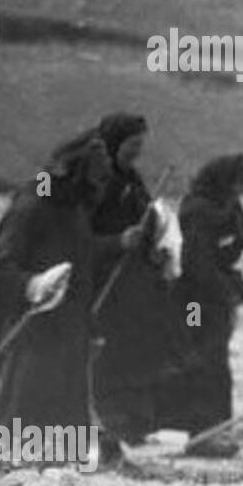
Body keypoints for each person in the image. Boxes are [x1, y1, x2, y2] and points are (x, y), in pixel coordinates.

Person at [0, 131, 133, 467]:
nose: (99, 189)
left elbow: (81, 253)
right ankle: (16, 461)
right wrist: (32, 284)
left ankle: (59, 459)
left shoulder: (71, 207)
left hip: (70, 325)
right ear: (74, 172)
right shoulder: (32, 205)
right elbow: (1, 264)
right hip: (37, 327)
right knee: (31, 393)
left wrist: (119, 242)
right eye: (95, 178)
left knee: (67, 395)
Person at [157, 153, 243, 457]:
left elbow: (226, 247)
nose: (240, 191)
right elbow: (197, 263)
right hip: (194, 301)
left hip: (215, 296)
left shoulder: (226, 204)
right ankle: (202, 431)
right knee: (203, 357)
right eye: (237, 184)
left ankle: (214, 427)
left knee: (215, 359)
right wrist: (225, 290)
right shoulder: (198, 209)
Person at [90, 112, 180, 444]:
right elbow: (80, 234)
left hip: (133, 281)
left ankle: (134, 424)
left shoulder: (132, 178)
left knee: (138, 350)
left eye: (140, 145)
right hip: (103, 280)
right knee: (110, 352)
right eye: (131, 145)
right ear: (114, 142)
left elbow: (146, 222)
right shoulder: (98, 180)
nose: (136, 152)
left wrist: (150, 248)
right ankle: (109, 424)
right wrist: (117, 242)